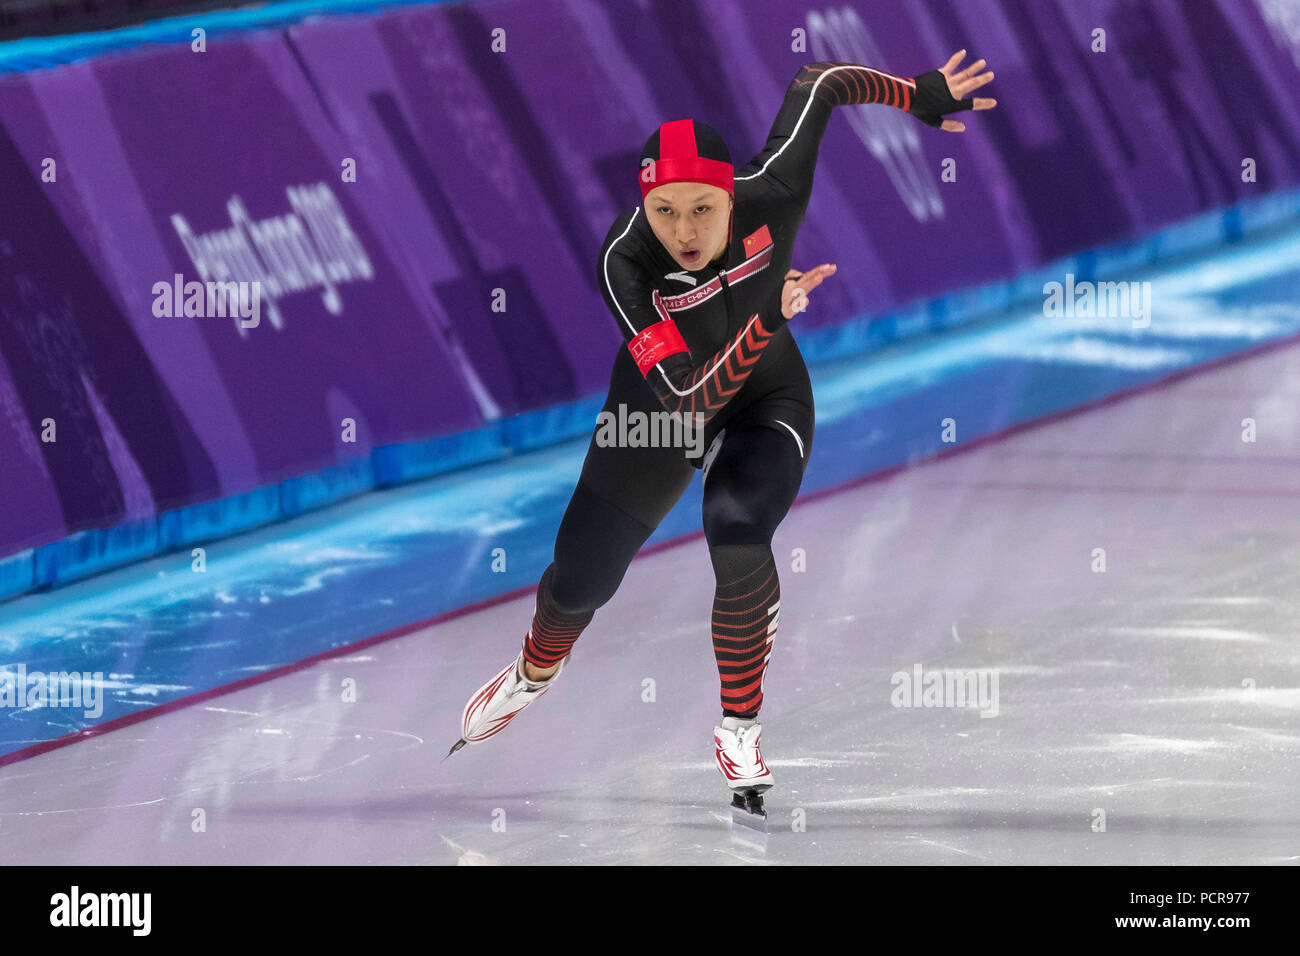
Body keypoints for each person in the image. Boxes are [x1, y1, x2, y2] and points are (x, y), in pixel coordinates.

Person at [449, 53, 996, 811]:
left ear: (730, 193)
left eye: (702, 208)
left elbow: (823, 83)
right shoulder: (625, 260)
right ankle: (533, 673)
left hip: (768, 397)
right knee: (580, 578)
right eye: (666, 210)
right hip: (662, 409)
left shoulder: (772, 188)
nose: (684, 229)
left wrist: (917, 96)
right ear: (645, 206)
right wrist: (768, 318)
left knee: (736, 525)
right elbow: (687, 399)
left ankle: (739, 730)